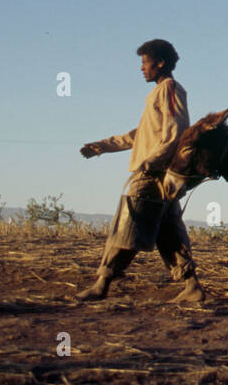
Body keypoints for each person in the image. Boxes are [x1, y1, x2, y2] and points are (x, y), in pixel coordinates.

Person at [75, 39, 205, 303]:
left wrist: (150, 162)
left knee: (128, 224)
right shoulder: (160, 92)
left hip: (153, 175)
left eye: (145, 62)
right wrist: (101, 146)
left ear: (160, 63)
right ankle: (192, 286)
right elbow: (140, 135)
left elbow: (175, 132)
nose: (142, 68)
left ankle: (102, 283)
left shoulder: (168, 89)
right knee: (168, 230)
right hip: (157, 174)